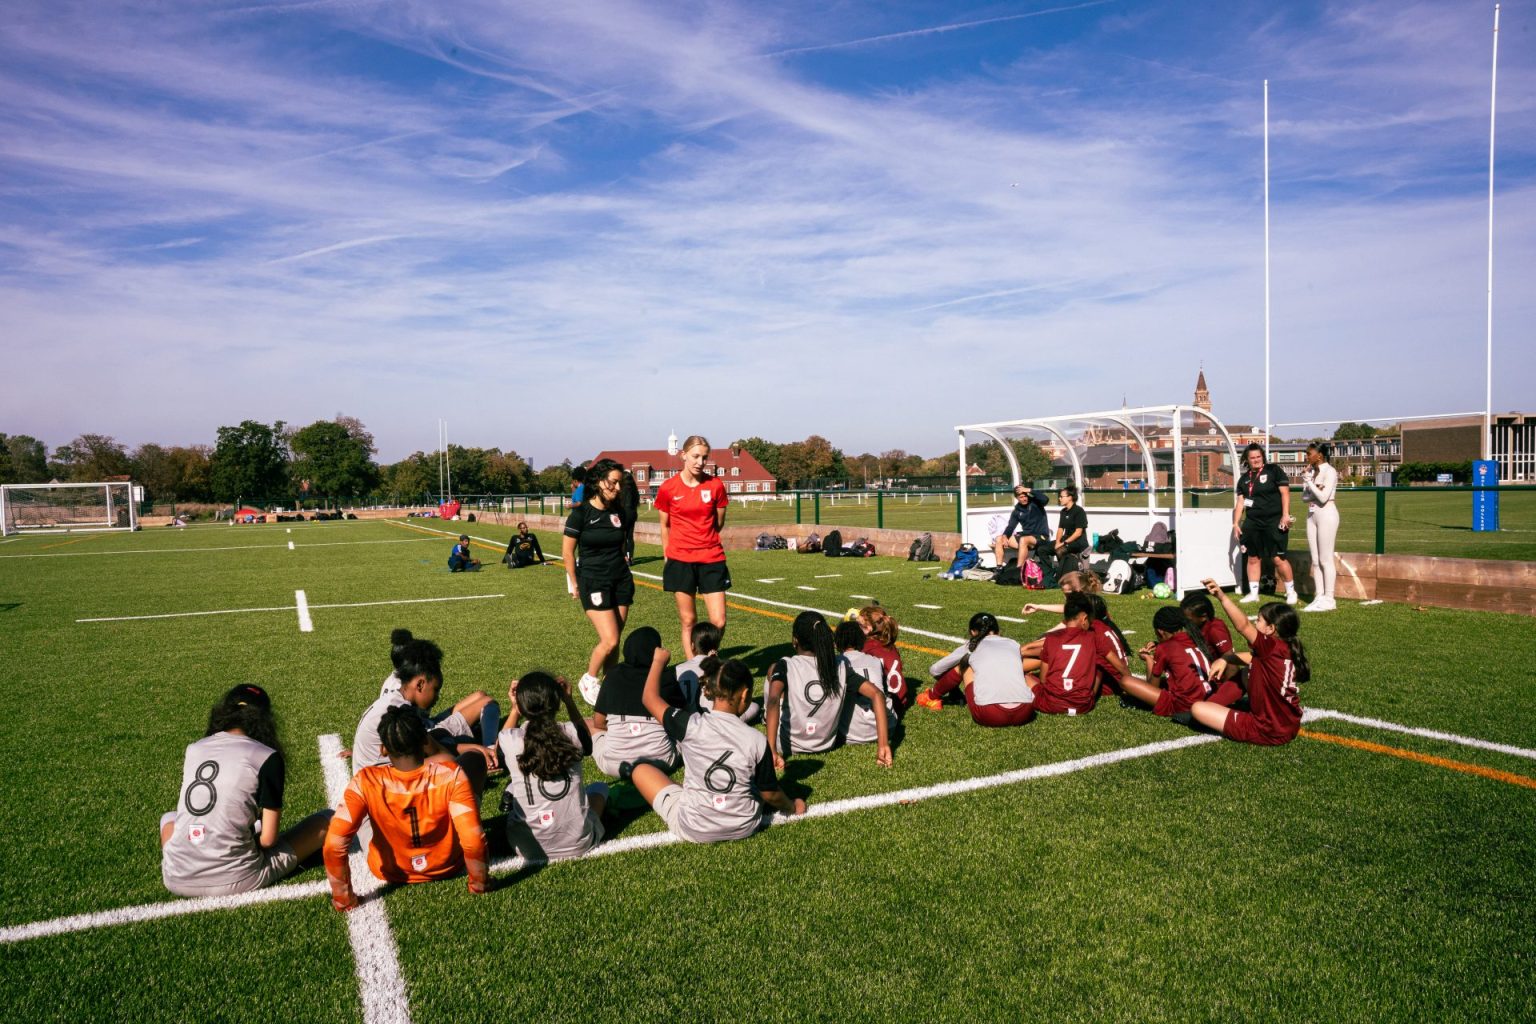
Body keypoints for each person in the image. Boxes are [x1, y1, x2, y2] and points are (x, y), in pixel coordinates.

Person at [160, 684, 332, 898]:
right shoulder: (267, 757)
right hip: (238, 878)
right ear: (265, 720)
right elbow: (268, 840)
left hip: (175, 878)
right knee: (329, 819)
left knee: (169, 818)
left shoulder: (195, 748)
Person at [628, 646, 806, 843]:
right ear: (745, 695)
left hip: (694, 827)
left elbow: (649, 698)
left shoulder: (689, 725)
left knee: (640, 770)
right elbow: (770, 794)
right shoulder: (756, 739)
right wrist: (793, 806)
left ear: (711, 691)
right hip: (744, 826)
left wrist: (658, 662)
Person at [324, 706, 489, 910]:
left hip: (388, 871)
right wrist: (480, 883)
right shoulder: (451, 774)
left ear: (383, 748)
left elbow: (333, 845)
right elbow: (473, 841)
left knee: (358, 815)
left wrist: (343, 899)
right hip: (446, 865)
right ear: (423, 741)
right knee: (474, 759)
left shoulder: (365, 780)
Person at [351, 638, 499, 800]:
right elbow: (439, 753)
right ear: (420, 684)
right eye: (435, 689)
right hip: (384, 788)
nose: (437, 697)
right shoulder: (402, 712)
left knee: (451, 750)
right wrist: (476, 751)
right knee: (468, 763)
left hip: (372, 780)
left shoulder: (395, 700)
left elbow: (431, 745)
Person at [497, 671, 607, 862]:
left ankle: (510, 791)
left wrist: (515, 709)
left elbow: (499, 750)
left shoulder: (511, 740)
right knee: (600, 788)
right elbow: (587, 742)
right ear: (556, 703)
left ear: (522, 707)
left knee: (515, 786)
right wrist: (569, 700)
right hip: (578, 843)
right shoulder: (572, 733)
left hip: (527, 846)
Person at [1188, 579, 1309, 745]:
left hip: (1267, 730)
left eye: (1258, 620)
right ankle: (1217, 703)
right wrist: (1226, 658)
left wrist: (1222, 597)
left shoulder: (1269, 645)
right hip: (1289, 724)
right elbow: (1252, 659)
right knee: (1247, 672)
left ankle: (1217, 707)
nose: (1255, 623)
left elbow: (1243, 626)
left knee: (1197, 709)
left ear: (1271, 629)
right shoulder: (1284, 646)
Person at [563, 459, 634, 705]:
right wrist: (573, 582)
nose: (616, 489)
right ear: (599, 481)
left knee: (616, 641)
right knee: (610, 639)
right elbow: (567, 553)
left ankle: (611, 685)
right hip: (594, 581)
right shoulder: (580, 514)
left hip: (621, 580)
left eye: (619, 484)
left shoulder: (620, 512)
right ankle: (589, 678)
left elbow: (622, 544)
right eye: (612, 483)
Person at [657, 435, 732, 660]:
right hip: (680, 560)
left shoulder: (716, 485)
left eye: (704, 457)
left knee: (719, 621)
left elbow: (718, 523)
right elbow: (665, 526)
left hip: (711, 558)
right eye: (695, 456)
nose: (700, 462)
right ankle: (692, 668)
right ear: (683, 455)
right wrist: (667, 555)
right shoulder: (668, 488)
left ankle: (709, 658)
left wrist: (704, 539)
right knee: (688, 620)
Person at [590, 627, 684, 777]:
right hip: (661, 760)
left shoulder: (613, 675)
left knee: (591, 727)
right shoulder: (665, 677)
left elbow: (599, 722)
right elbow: (679, 723)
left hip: (616, 764)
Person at [914, 612, 1036, 727]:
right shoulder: (1013, 643)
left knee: (965, 665)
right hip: (1025, 712)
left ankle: (931, 697)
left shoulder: (971, 646)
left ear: (972, 632)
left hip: (989, 714)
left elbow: (935, 669)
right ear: (999, 631)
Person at [764, 611, 852, 767]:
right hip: (825, 743)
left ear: (794, 641)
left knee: (772, 670)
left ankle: (766, 718)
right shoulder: (840, 664)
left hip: (788, 744)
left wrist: (771, 750)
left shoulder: (785, 665)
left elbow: (773, 699)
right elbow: (876, 694)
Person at [1027, 593, 1132, 716]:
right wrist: (1131, 686)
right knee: (1097, 666)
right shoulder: (1095, 636)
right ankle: (1088, 695)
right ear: (1084, 618)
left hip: (1052, 704)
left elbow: (1044, 679)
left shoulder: (1052, 638)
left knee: (1027, 677)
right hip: (1083, 705)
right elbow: (1120, 666)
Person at [1119, 606, 1216, 717]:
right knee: (1168, 681)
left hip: (1185, 705)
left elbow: (1153, 686)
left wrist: (1148, 659)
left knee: (1125, 681)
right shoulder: (1196, 638)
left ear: (1160, 632)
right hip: (1211, 698)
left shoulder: (1165, 648)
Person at [1233, 442, 1297, 604]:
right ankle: (1254, 594)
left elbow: (1285, 494)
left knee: (1277, 558)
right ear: (1247, 459)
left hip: (1274, 520)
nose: (1255, 460)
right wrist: (1235, 524)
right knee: (1253, 558)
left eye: (1258, 457)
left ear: (1263, 457)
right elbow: (1240, 503)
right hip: (1253, 522)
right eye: (1252, 458)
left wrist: (1285, 515)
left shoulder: (1273, 470)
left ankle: (1291, 592)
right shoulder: (1244, 479)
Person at [833, 621, 895, 765]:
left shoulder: (837, 662)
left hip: (850, 733)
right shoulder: (874, 660)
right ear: (861, 640)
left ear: (838, 642)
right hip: (885, 728)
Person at [676, 621, 761, 722]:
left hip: (684, 720)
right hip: (712, 720)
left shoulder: (678, 668)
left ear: (692, 646)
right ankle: (731, 723)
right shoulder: (721, 669)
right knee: (754, 706)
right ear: (716, 647)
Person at [1301, 442, 1340, 612]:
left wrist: (1309, 483)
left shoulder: (1329, 471)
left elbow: (1323, 497)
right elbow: (1305, 498)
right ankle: (1319, 595)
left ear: (1320, 455)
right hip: (1312, 514)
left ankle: (1329, 598)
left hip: (1327, 513)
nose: (1307, 456)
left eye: (1309, 453)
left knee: (1326, 558)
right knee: (1315, 559)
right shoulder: (1312, 472)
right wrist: (1307, 483)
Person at [856, 604, 908, 711]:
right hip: (901, 701)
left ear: (868, 629)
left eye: (859, 625)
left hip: (883, 706)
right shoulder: (890, 645)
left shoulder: (867, 647)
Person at [992, 483, 1050, 569]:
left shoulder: (1036, 503)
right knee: (999, 539)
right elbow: (1011, 527)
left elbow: (1045, 499)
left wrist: (1029, 490)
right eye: (1021, 497)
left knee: (1023, 539)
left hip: (1041, 537)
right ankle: (999, 568)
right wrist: (1004, 536)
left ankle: (1019, 570)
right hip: (1026, 537)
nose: (1024, 499)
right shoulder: (1017, 511)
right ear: (1017, 498)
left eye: (1025, 496)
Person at [1046, 485, 1089, 575]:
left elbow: (1078, 533)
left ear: (1070, 497)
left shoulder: (1079, 511)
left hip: (1078, 542)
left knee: (1060, 550)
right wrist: (1057, 542)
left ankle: (1064, 573)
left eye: (1062, 496)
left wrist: (1062, 544)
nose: (1059, 498)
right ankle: (1049, 573)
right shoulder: (1063, 511)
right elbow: (1061, 529)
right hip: (1066, 540)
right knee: (1042, 549)